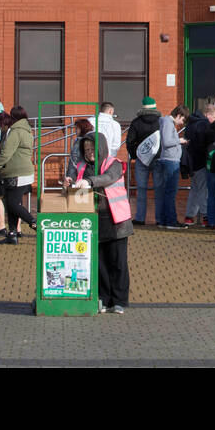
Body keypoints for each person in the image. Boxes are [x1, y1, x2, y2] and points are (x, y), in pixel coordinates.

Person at [67, 131, 132, 313]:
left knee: (118, 262)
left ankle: (119, 301)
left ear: (101, 148)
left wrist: (89, 181)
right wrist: (69, 183)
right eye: (86, 150)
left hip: (117, 221)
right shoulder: (81, 166)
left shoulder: (114, 164)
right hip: (94, 220)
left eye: (92, 149)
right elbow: (75, 185)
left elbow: (108, 178)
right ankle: (103, 298)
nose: (89, 153)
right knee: (100, 263)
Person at [0, 106, 37, 245]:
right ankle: (12, 234)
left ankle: (34, 222)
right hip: (24, 172)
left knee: (12, 204)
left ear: (14, 117)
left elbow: (6, 153)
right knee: (12, 203)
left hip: (16, 173)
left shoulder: (16, 132)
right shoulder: (27, 130)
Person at [124, 97, 164, 226]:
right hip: (158, 158)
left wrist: (136, 155)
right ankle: (159, 219)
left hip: (141, 160)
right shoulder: (161, 122)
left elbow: (129, 142)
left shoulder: (136, 122)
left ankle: (140, 218)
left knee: (141, 189)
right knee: (159, 189)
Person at [152, 105, 189, 229]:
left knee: (165, 192)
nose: (181, 123)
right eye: (182, 120)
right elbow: (167, 142)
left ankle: (163, 220)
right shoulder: (168, 123)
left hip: (167, 160)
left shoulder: (166, 122)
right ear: (178, 115)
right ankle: (171, 221)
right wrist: (180, 141)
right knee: (170, 193)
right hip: (170, 161)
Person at [183, 103, 215, 226]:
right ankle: (206, 216)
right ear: (208, 114)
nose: (214, 121)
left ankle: (189, 216)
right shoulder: (204, 124)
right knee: (203, 190)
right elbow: (205, 144)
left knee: (195, 188)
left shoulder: (191, 123)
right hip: (201, 161)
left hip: (191, 161)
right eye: (214, 117)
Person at [64, 118, 97, 183]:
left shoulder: (79, 143)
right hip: (91, 176)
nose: (75, 131)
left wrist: (70, 177)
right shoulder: (92, 140)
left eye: (77, 128)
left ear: (82, 129)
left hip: (80, 175)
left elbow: (74, 161)